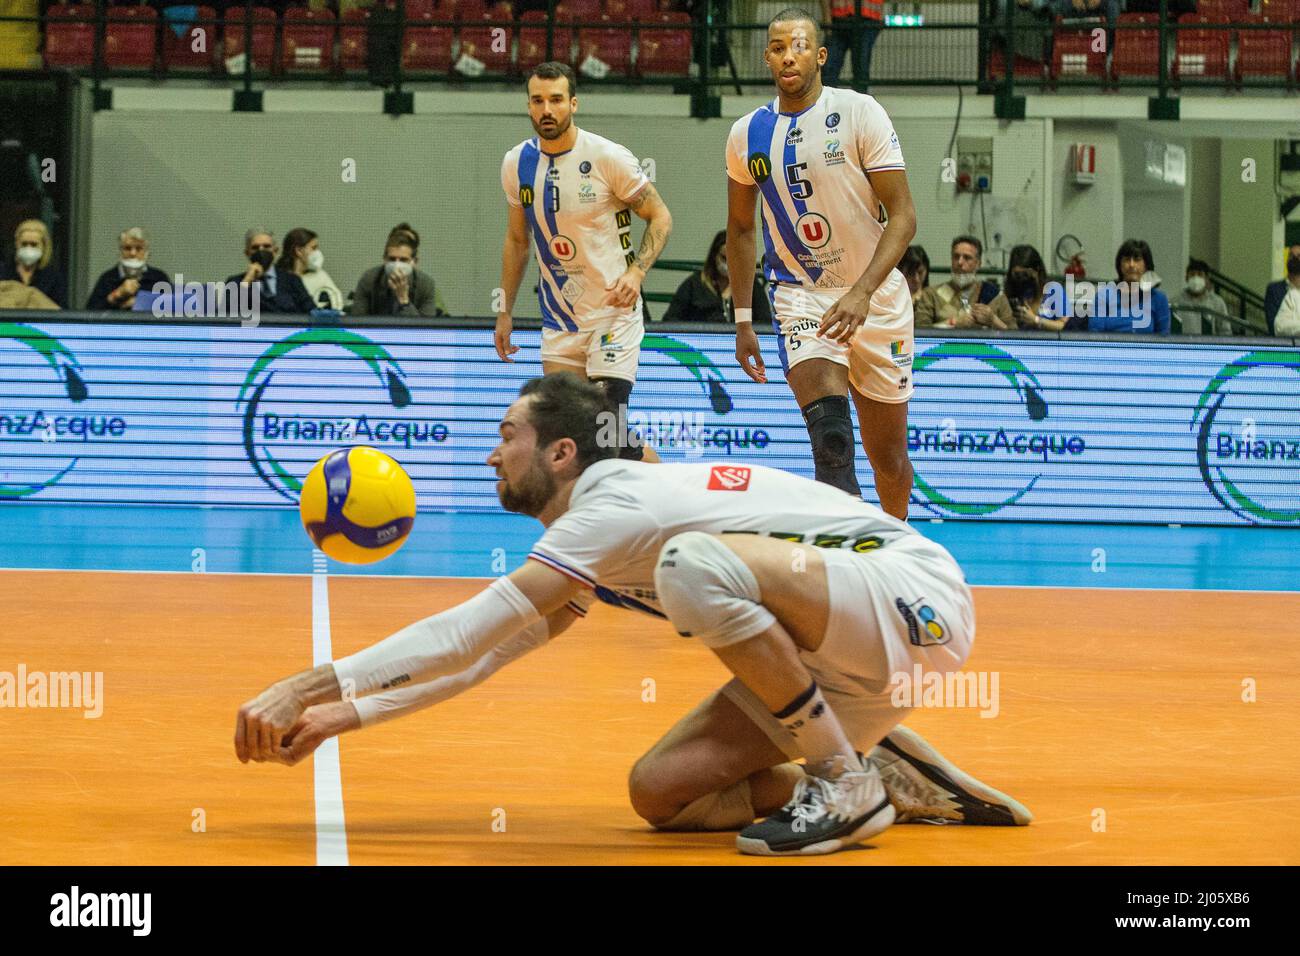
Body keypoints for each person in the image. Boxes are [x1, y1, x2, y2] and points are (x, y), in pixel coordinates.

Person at [234, 373, 1032, 857]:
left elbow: (469, 627)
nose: (491, 453)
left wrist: (298, 688)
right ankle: (891, 768)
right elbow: (488, 654)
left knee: (694, 566)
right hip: (851, 658)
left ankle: (842, 781)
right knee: (663, 795)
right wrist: (348, 713)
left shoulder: (613, 506)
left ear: (560, 454)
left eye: (505, 435)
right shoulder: (592, 540)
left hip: (912, 593)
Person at [727, 8, 919, 517]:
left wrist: (861, 292)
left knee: (891, 463)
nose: (787, 55)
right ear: (767, 57)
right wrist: (744, 320)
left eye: (799, 45)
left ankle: (894, 551)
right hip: (801, 295)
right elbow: (743, 229)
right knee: (832, 442)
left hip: (875, 299)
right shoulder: (747, 134)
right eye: (776, 47)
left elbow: (903, 217)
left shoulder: (860, 112)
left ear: (820, 55)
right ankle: (846, 565)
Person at [496, 62, 674, 461]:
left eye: (556, 100)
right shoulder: (516, 165)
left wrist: (637, 271)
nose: (547, 109)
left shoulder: (608, 157)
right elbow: (516, 240)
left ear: (573, 103)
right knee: (570, 439)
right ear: (528, 106)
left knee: (605, 431)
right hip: (560, 320)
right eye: (538, 101)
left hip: (613, 314)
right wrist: (505, 310)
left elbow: (660, 216)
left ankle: (664, 496)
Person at [662, 230, 772, 324]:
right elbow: (670, 320)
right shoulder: (694, 284)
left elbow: (765, 323)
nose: (729, 264)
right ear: (714, 256)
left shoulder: (750, 286)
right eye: (724, 258)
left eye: (734, 258)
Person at [351, 223, 445, 317]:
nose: (397, 265)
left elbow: (426, 329)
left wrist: (404, 300)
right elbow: (357, 321)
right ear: (384, 259)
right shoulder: (369, 279)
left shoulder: (426, 284)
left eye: (403, 260)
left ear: (414, 262)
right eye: (392, 259)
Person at [913, 236, 1004, 329]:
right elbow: (921, 334)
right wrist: (953, 323)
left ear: (978, 264)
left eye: (967, 258)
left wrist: (993, 320)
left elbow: (1015, 336)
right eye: (956, 257)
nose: (960, 262)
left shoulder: (994, 296)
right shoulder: (931, 295)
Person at [1088, 238, 1170, 335]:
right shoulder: (1104, 296)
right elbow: (1095, 335)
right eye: (1127, 260)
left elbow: (1164, 338)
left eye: (1137, 259)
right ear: (1120, 265)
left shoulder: (1158, 298)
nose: (1131, 265)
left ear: (1146, 265)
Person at [224, 228, 317, 314]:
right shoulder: (235, 282)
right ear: (247, 253)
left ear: (275, 251)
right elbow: (226, 312)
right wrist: (247, 280)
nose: (261, 250)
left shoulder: (292, 281)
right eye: (255, 248)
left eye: (266, 246)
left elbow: (312, 312)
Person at [85, 226, 169, 311]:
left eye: (139, 248)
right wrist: (116, 295)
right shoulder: (108, 278)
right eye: (127, 248)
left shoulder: (158, 278)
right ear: (120, 251)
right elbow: (90, 313)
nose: (133, 253)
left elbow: (173, 309)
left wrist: (139, 303)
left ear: (146, 252)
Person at [989, 244, 1066, 331]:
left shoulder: (1054, 291)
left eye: (1026, 274)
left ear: (1036, 270)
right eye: (1017, 275)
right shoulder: (1011, 292)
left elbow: (1064, 325)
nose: (1022, 279)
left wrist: (1036, 320)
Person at [819, 0, 884, 92]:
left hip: (867, 20)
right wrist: (827, 21)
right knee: (829, 67)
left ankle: (859, 100)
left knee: (861, 67)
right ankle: (826, 101)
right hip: (840, 20)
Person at [0, 219, 66, 308]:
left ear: (44, 246)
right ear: (17, 244)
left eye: (34, 244)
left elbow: (60, 310)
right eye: (24, 244)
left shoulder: (53, 278)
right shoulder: (3, 272)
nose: (28, 248)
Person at [278, 227, 344, 311]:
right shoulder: (279, 278)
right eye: (314, 248)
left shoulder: (320, 276)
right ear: (299, 251)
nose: (317, 253)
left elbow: (337, 305)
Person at [1169, 258, 1230, 336]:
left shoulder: (1217, 303)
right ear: (1186, 278)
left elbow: (1225, 332)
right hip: (1183, 346)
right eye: (1192, 274)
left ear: (1207, 279)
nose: (1196, 278)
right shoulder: (1175, 302)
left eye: (1200, 274)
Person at [1264, 245, 1300, 336]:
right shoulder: (1274, 289)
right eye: (1291, 256)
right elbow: (1275, 327)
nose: (1295, 259)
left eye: (1299, 256)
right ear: (1287, 259)